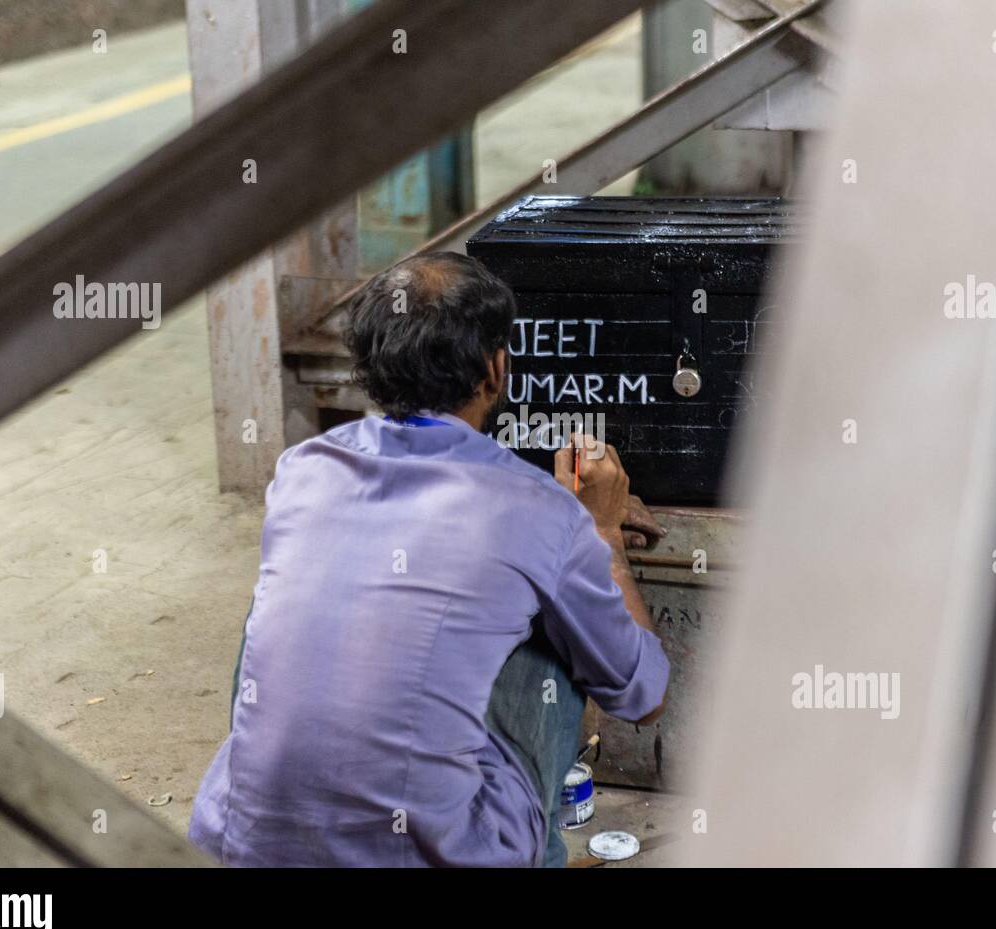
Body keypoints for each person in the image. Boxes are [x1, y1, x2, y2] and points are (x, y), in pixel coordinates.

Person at [188, 251, 669, 867]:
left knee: (304, 601)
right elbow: (644, 696)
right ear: (495, 369)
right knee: (551, 628)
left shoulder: (303, 471)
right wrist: (597, 532)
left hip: (242, 846)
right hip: (436, 856)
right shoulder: (540, 511)